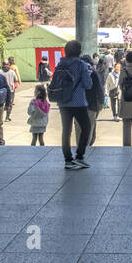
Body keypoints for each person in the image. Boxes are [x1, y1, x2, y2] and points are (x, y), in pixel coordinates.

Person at [51, 40, 94, 169]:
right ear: (79, 51)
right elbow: (88, 84)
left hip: (63, 102)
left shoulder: (60, 64)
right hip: (79, 102)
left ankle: (68, 159)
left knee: (66, 130)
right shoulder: (81, 65)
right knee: (86, 128)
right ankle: (80, 156)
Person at [83, 54, 107, 146]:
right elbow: (99, 90)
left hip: (80, 105)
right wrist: (101, 102)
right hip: (92, 104)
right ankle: (89, 143)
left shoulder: (77, 73)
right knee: (91, 124)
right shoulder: (93, 73)